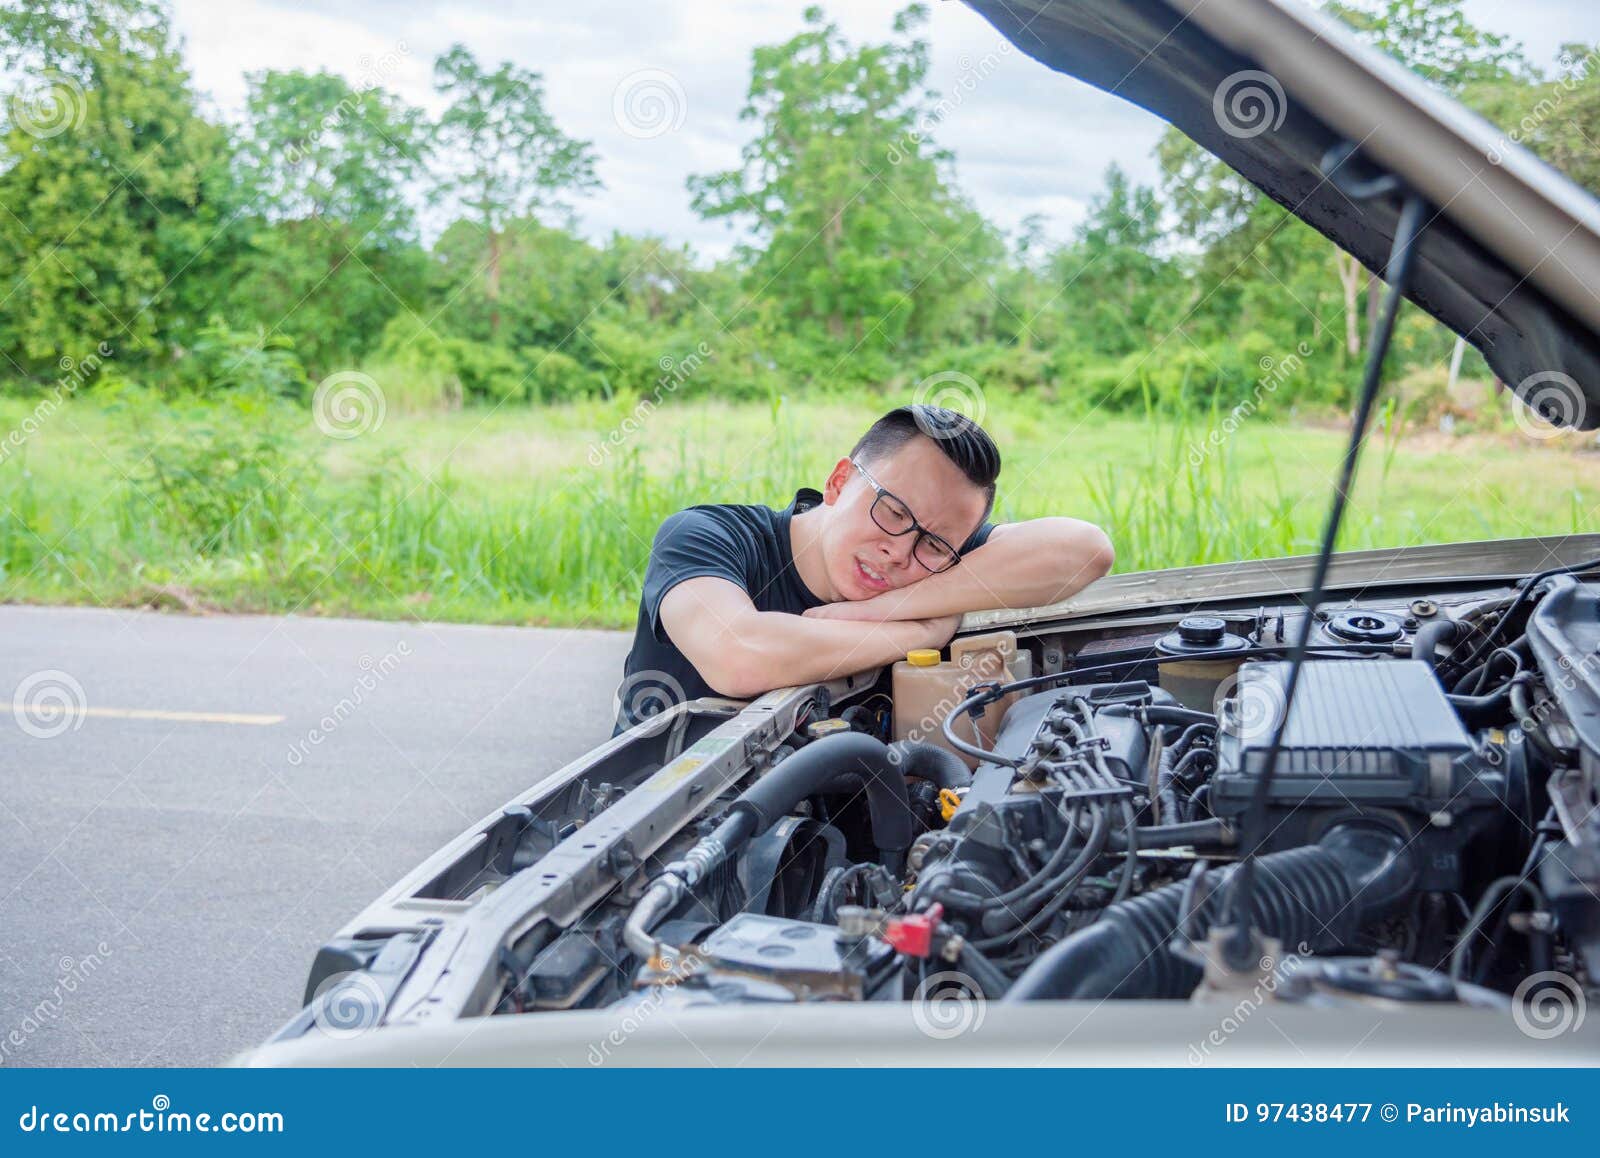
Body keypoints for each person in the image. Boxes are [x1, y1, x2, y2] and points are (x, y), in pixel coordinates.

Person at [611, 404, 1114, 735]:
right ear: (838, 481)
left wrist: (888, 607)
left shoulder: (936, 562)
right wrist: (918, 633)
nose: (900, 552)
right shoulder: (708, 535)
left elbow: (1086, 550)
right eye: (892, 512)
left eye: (934, 543)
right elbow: (739, 656)